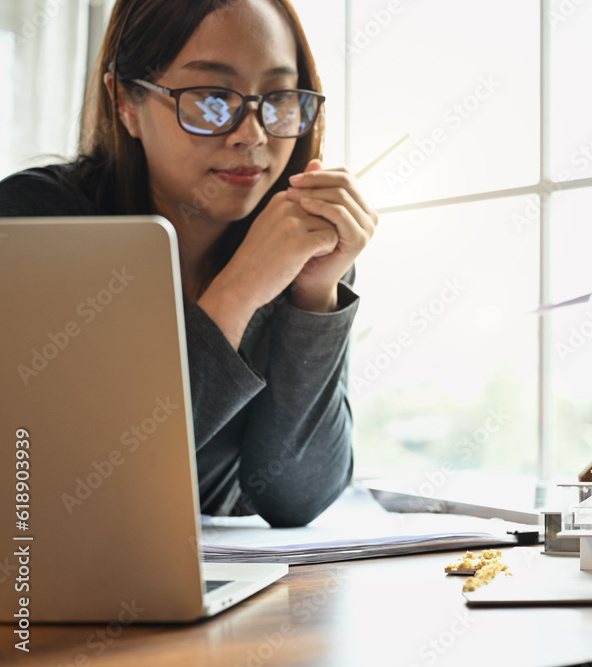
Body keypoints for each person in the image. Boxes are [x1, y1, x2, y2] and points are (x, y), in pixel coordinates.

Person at [0, 0, 376, 527]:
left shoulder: (301, 249)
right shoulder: (38, 221)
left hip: (224, 575)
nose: (253, 135)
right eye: (213, 98)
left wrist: (314, 300)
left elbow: (296, 498)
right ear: (125, 102)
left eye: (277, 98)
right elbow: (80, 486)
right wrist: (239, 291)